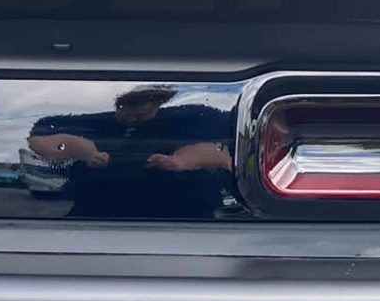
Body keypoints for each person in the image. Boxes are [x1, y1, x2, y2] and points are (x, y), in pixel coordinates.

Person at [26, 86, 233, 218]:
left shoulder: (193, 117)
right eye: (125, 104)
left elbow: (222, 155)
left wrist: (180, 162)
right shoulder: (94, 122)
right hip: (94, 215)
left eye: (141, 103)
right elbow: (38, 140)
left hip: (182, 216)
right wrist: (86, 152)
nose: (130, 111)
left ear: (159, 101)